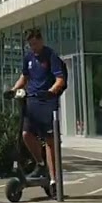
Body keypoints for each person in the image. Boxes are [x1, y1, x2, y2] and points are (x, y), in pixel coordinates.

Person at [8, 28, 66, 191]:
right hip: (31, 102)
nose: (33, 47)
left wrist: (51, 92)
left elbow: (60, 79)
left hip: (47, 103)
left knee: (49, 141)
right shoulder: (28, 58)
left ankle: (54, 180)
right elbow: (24, 77)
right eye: (30, 45)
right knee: (26, 134)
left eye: (35, 43)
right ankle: (40, 164)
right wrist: (13, 89)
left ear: (41, 41)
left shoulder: (50, 56)